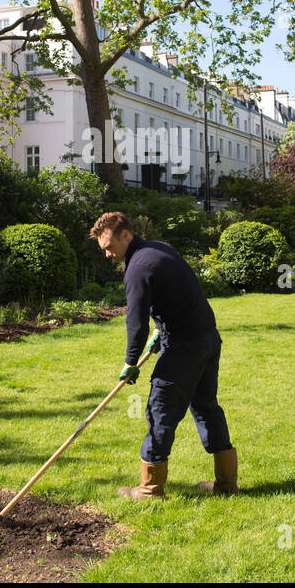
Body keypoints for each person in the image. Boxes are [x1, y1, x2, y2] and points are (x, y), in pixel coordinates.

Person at [89, 211, 237, 499]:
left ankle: (149, 489)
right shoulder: (159, 249)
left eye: (108, 247)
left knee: (160, 411)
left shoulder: (137, 268)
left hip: (183, 348)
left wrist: (131, 362)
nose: (107, 255)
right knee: (207, 407)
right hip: (207, 338)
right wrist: (162, 328)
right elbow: (177, 292)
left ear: (125, 235)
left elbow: (135, 321)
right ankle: (226, 484)